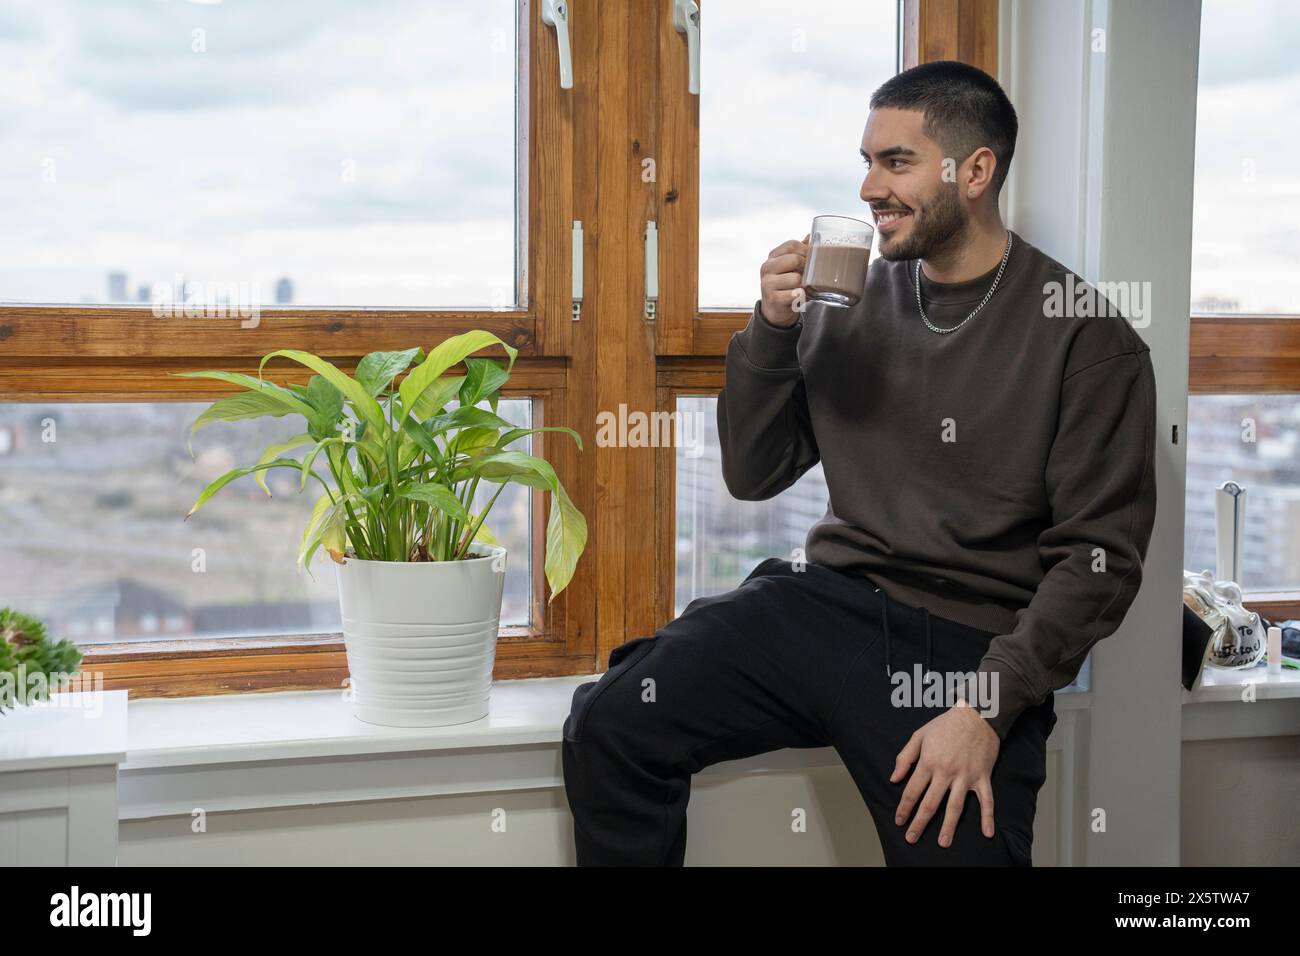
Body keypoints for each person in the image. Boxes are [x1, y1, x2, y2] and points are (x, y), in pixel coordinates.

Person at [561, 60, 1157, 866]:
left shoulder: (1085, 338)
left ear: (975, 171)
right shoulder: (846, 299)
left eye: (897, 161)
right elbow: (753, 471)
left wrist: (986, 708)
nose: (871, 187)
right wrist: (771, 328)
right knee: (612, 723)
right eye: (867, 162)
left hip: (969, 651)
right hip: (828, 607)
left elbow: (1100, 564)